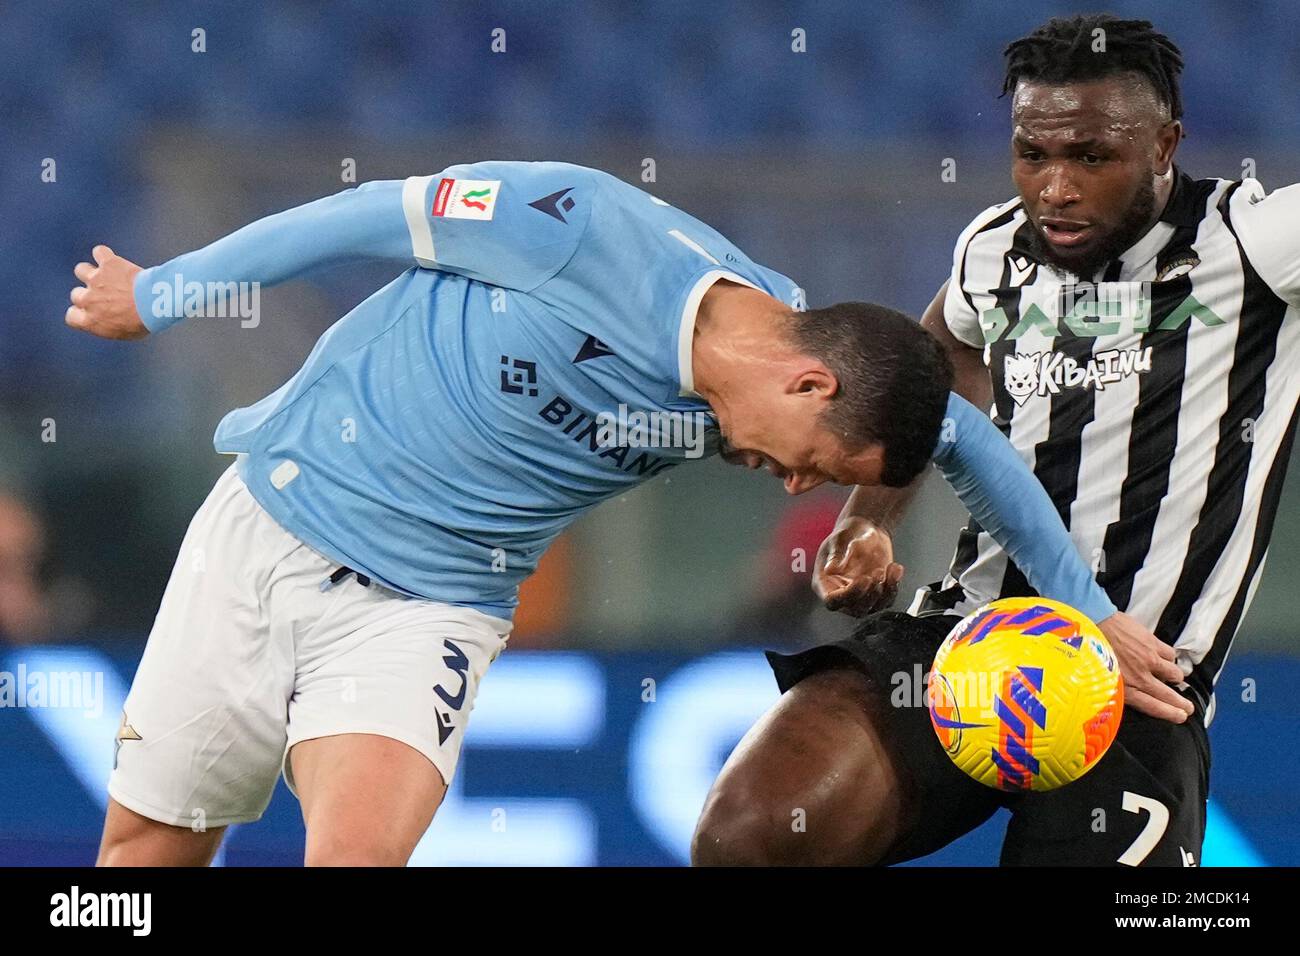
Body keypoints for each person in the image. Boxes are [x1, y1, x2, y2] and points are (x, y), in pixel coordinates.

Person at [70, 159, 1151, 866]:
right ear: (809, 385)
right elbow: (369, 213)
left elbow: (973, 448)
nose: (792, 487)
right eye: (815, 465)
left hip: (432, 605)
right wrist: (164, 292)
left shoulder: (827, 384)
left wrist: (1090, 615)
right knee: (145, 851)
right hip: (276, 520)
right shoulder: (580, 232)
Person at [694, 14, 1300, 867]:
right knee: (747, 838)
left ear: (1165, 146)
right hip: (963, 645)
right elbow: (934, 363)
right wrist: (871, 518)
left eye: (1091, 157)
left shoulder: (1257, 244)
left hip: (1136, 690)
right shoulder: (991, 250)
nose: (1054, 187)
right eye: (1032, 154)